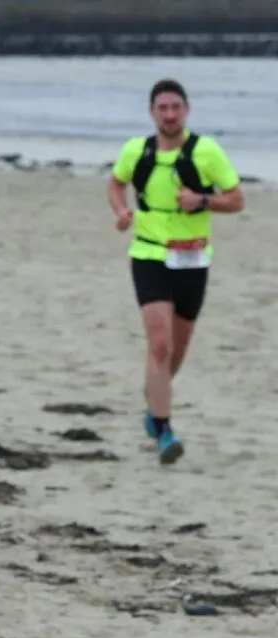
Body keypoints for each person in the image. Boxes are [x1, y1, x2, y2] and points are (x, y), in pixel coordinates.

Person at [107, 78, 244, 464]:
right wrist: (121, 211)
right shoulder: (136, 150)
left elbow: (237, 199)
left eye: (176, 107)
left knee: (176, 350)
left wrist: (201, 200)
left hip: (192, 259)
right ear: (152, 112)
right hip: (148, 254)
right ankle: (165, 430)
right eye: (162, 108)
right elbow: (115, 184)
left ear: (187, 110)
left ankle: (155, 399)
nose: (169, 114)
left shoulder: (206, 151)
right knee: (160, 343)